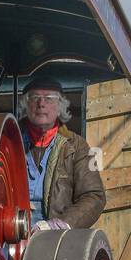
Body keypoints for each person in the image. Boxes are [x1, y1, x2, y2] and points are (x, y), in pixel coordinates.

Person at [17, 76, 105, 231]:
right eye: (35, 97)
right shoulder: (7, 142)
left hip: (56, 239)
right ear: (25, 106)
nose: (41, 103)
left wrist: (60, 224)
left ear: (60, 107)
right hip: (10, 235)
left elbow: (94, 196)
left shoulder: (78, 146)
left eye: (49, 98)